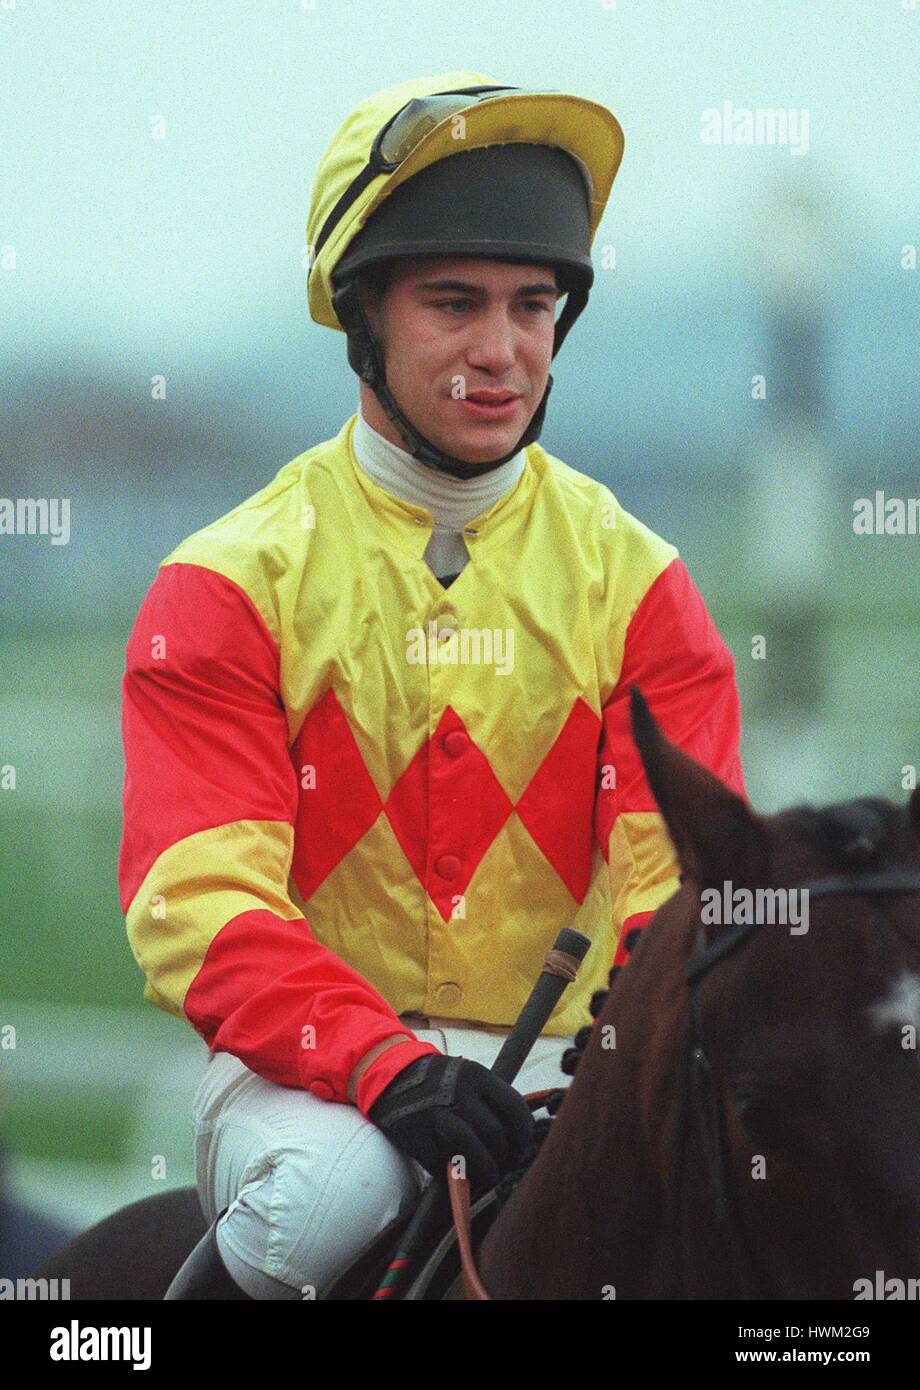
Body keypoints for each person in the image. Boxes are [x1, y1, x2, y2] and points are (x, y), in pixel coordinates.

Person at [118, 71, 747, 1300]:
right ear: (363, 317)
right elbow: (198, 902)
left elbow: (679, 882)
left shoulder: (640, 587)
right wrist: (384, 1063)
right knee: (327, 1199)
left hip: (571, 1061)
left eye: (531, 305)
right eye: (452, 304)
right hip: (304, 1078)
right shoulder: (227, 583)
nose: (500, 351)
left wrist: (629, 1058)